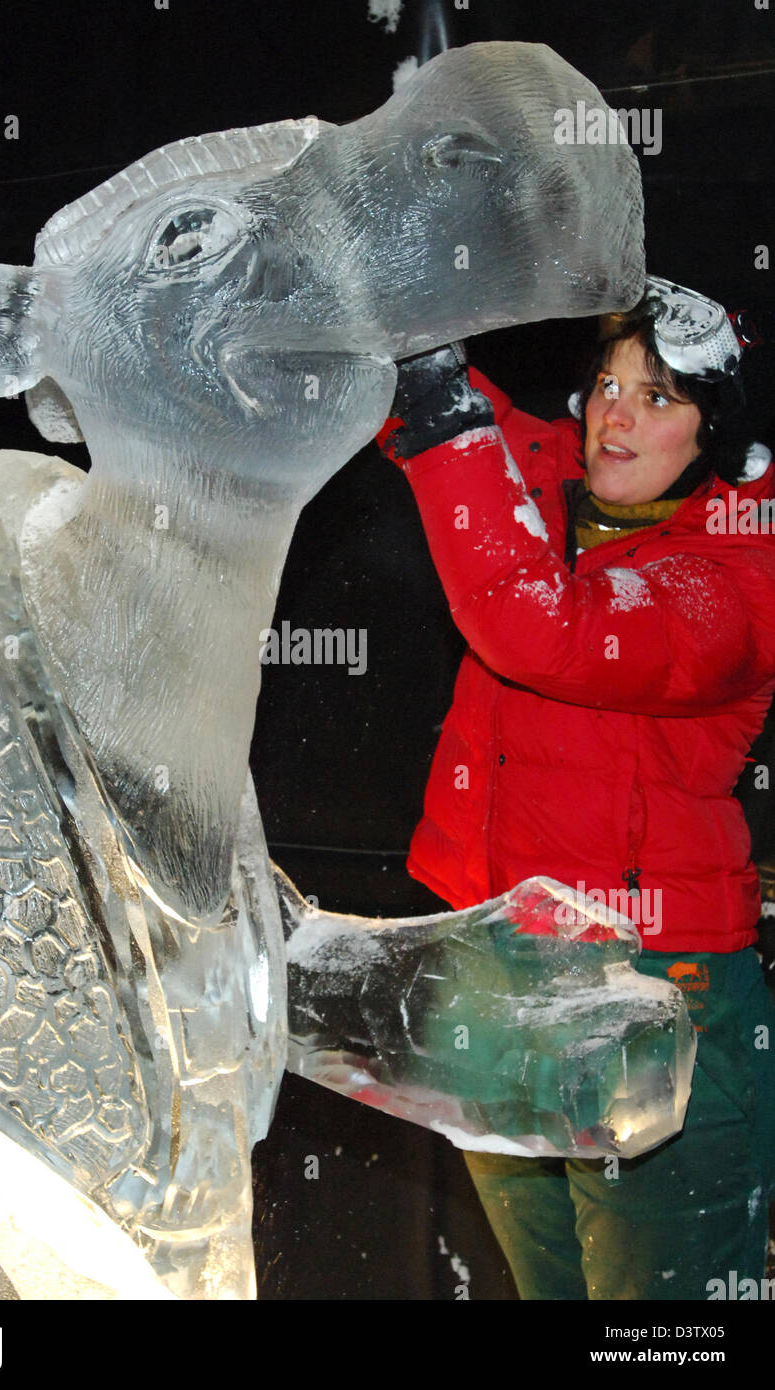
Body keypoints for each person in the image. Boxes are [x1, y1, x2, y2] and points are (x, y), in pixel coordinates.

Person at [378, 277, 775, 1301]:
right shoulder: (557, 481)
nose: (615, 413)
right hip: (497, 967)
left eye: (657, 397)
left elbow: (542, 624)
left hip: (650, 990)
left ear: (714, 432)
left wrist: (445, 422)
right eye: (607, 384)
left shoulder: (729, 578)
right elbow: (432, 404)